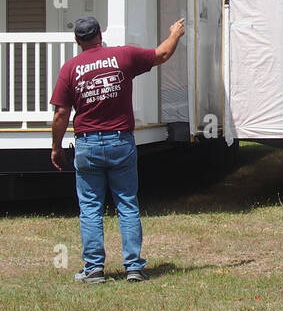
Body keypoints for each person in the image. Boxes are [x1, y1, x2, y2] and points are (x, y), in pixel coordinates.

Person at [50, 14, 185, 283]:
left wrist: (56, 147)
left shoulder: (70, 69)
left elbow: (61, 114)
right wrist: (175, 33)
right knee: (127, 203)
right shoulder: (123, 57)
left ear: (77, 40)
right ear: (100, 33)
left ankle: (94, 269)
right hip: (120, 141)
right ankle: (133, 267)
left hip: (88, 144)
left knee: (90, 207)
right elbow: (161, 55)